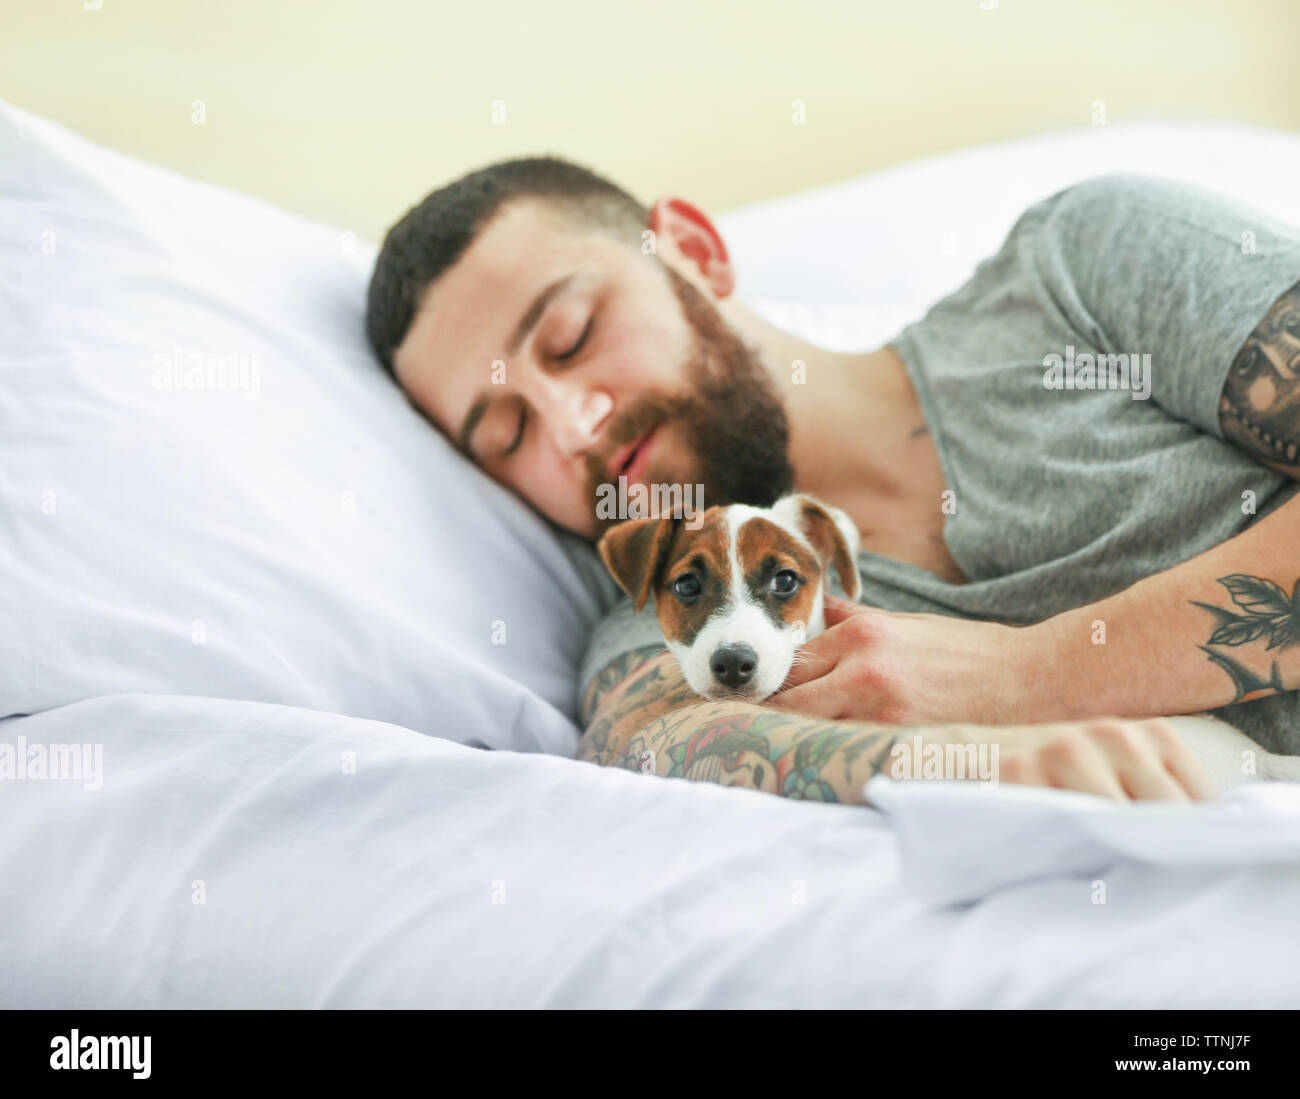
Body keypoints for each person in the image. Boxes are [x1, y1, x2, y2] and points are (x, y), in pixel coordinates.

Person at [365, 157, 1300, 803]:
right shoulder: (664, 630)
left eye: (571, 335)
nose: (574, 428)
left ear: (692, 250)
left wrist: (1037, 675)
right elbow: (677, 745)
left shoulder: (1082, 271)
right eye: (507, 431)